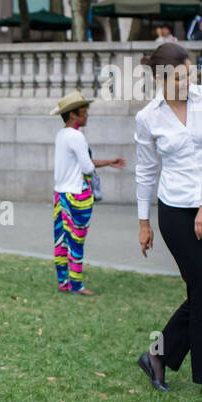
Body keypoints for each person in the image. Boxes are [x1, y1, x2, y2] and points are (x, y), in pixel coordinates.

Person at [133, 41, 202, 402]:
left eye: (190, 73)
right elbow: (146, 170)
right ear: (161, 78)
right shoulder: (148, 117)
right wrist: (144, 221)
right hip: (175, 211)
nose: (187, 81)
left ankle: (158, 355)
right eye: (179, 77)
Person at [49, 90, 125, 295]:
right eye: (84, 112)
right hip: (77, 196)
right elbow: (87, 167)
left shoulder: (62, 135)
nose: (87, 115)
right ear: (73, 115)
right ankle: (77, 285)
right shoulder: (77, 136)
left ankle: (64, 282)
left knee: (61, 240)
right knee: (77, 241)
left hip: (60, 194)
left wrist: (108, 161)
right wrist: (98, 169)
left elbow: (80, 163)